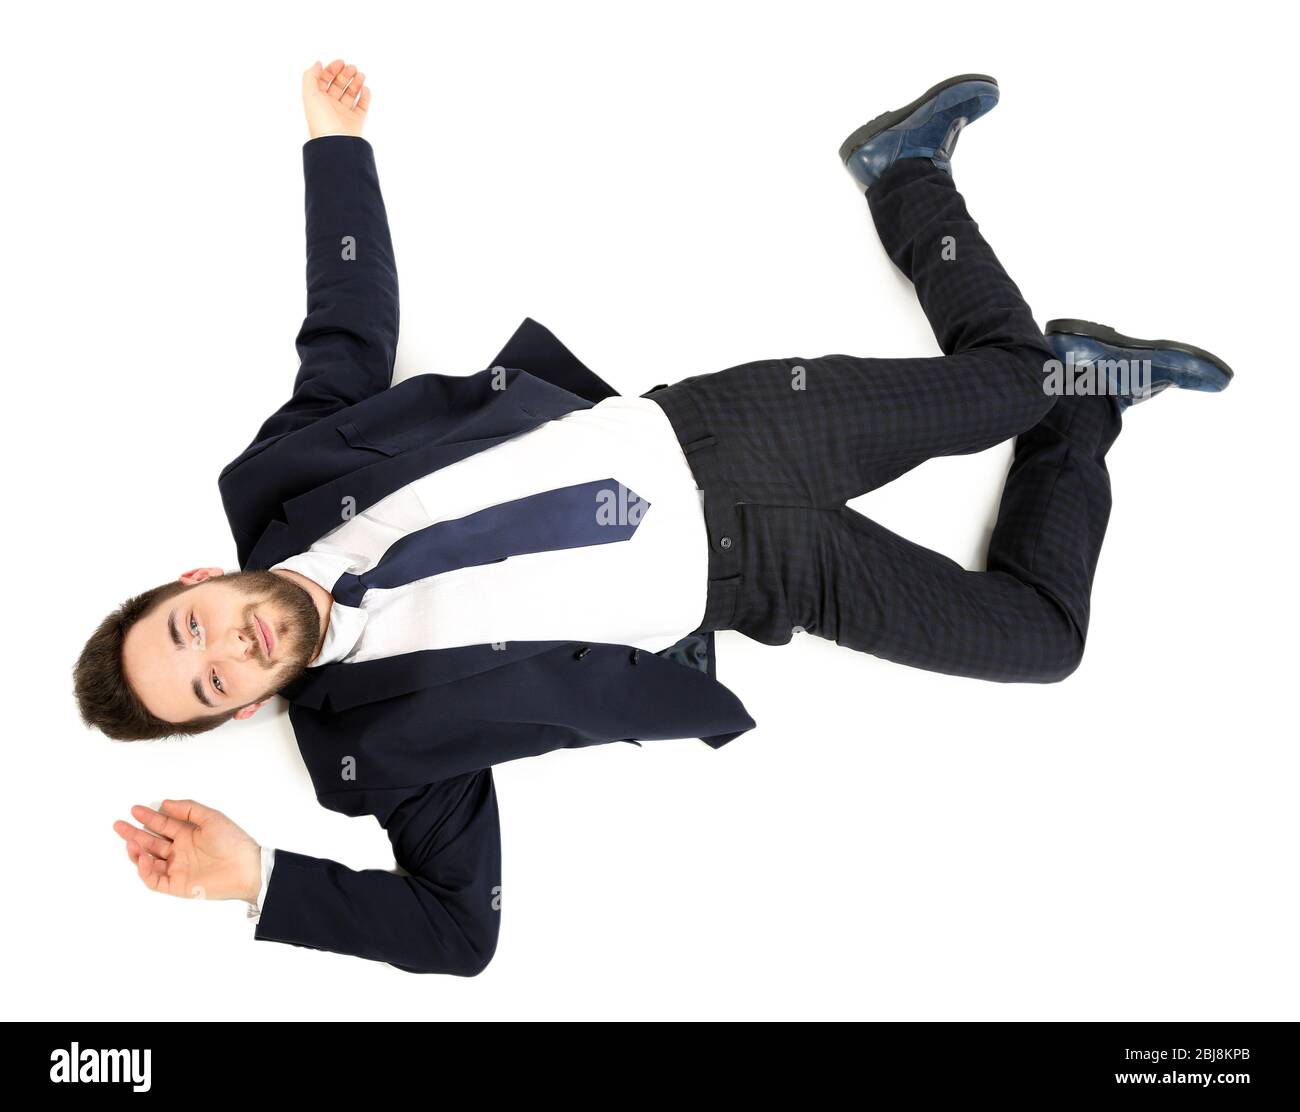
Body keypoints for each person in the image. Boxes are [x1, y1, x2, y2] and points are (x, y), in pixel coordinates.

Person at [75, 64, 1232, 974]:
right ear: (252, 703)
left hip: (721, 435)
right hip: (759, 578)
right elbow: (457, 931)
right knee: (1042, 640)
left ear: (195, 582)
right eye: (217, 683)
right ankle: (1085, 412)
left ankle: (905, 175)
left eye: (194, 631)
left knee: (1011, 381)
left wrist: (335, 143)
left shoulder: (283, 479)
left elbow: (345, 328)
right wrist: (257, 879)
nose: (231, 648)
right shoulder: (374, 753)